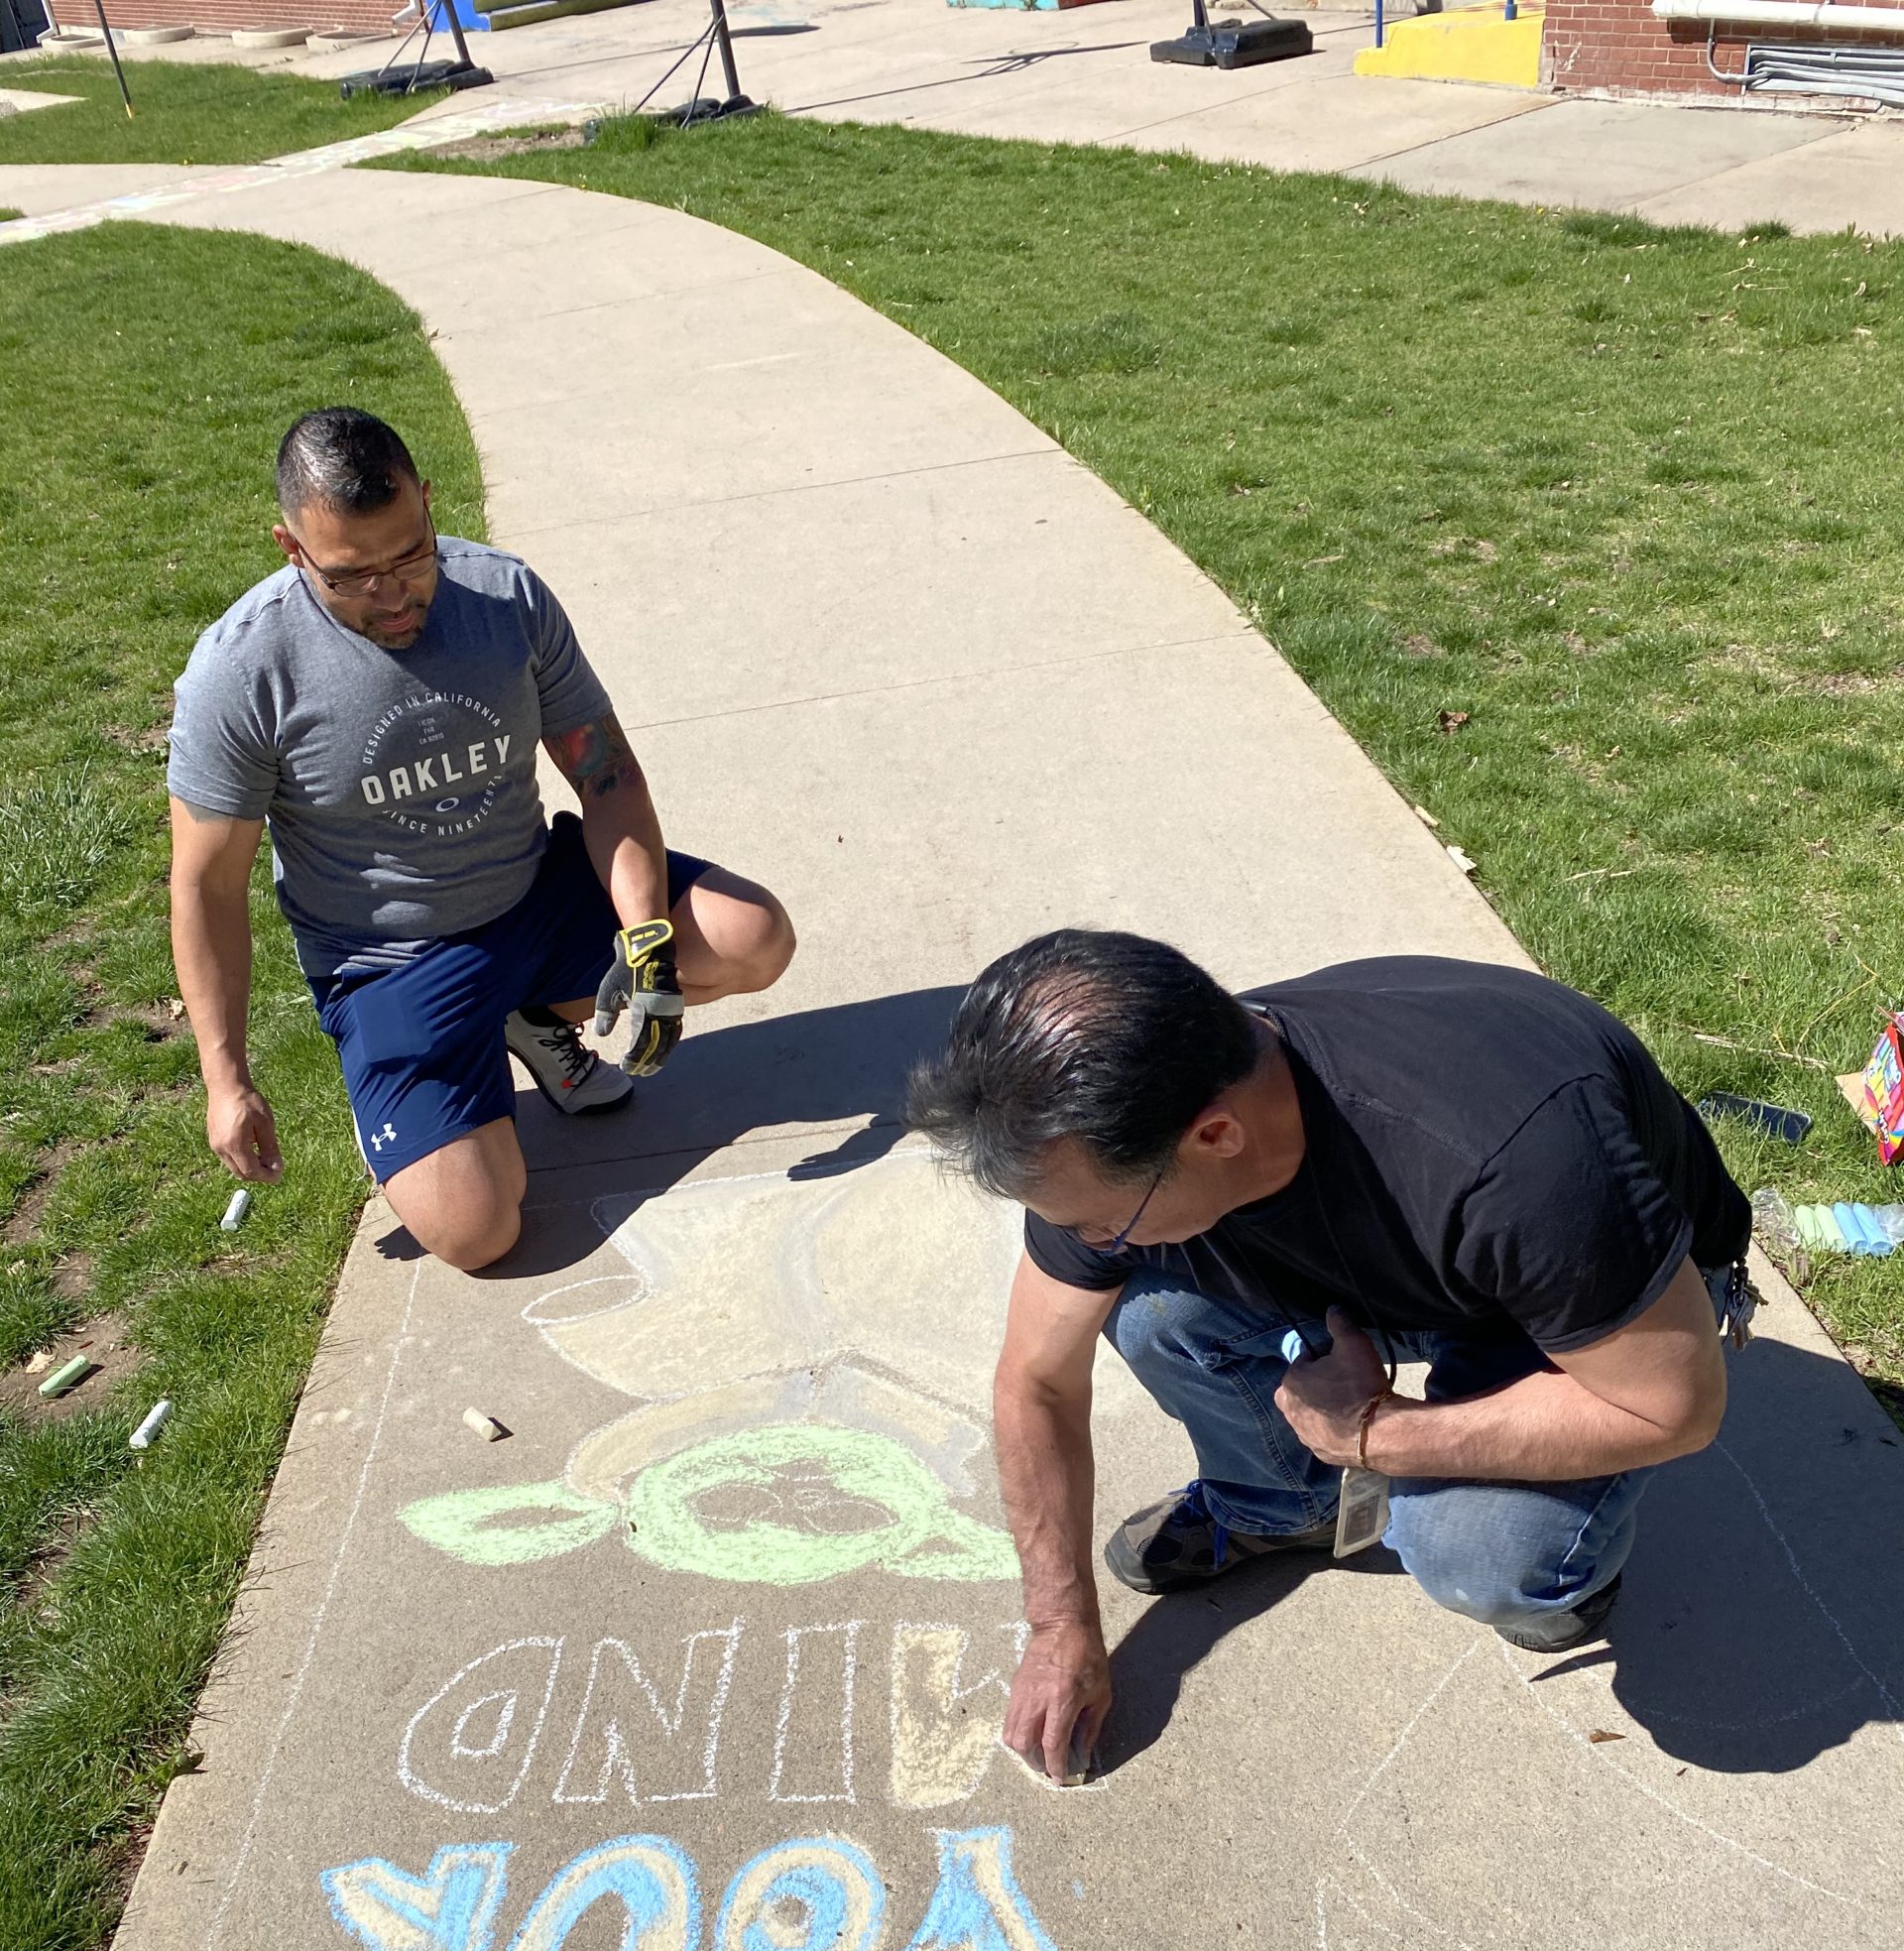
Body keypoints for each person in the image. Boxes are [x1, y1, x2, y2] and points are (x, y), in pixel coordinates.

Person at [904, 931, 1754, 1782]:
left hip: (1590, 1310)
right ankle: (1288, 1508)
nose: (1087, 1239)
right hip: (1416, 1269)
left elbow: (1674, 1408)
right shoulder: (1123, 1113)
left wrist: (1374, 1435)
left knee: (1480, 1555)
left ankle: (1567, 1580)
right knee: (1152, 1314)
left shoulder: (1515, 1163)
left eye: (1102, 1223)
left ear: (1215, 1135)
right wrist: (1058, 1624)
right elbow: (1038, 1381)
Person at [168, 407, 793, 1271]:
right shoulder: (242, 669)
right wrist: (225, 1076)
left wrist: (646, 936)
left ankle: (529, 1019)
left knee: (752, 937)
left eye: (410, 555)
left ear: (427, 503)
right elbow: (206, 885)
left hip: (532, 896)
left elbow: (606, 777)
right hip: (392, 962)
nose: (393, 594)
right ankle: (437, 1074)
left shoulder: (504, 596)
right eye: (353, 576)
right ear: (291, 548)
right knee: (479, 1232)